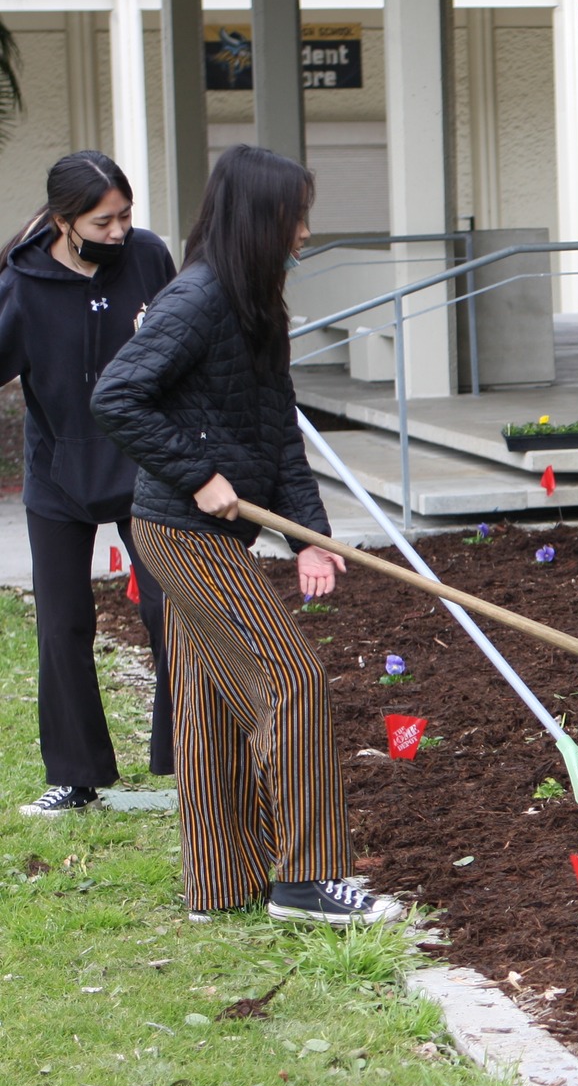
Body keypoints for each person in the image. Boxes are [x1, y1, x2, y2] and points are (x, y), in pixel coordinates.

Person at [92, 143, 400, 928]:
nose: (304, 232)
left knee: (211, 700)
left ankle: (223, 881)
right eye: (297, 216)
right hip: (182, 529)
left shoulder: (256, 301)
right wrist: (198, 473)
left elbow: (279, 435)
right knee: (292, 679)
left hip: (212, 535)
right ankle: (308, 880)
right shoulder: (195, 300)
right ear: (263, 218)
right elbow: (117, 395)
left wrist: (311, 538)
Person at [0, 151, 176, 815]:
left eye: (126, 215)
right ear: (64, 221)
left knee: (171, 611)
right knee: (62, 624)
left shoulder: (148, 258)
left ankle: (191, 759)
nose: (120, 230)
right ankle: (76, 777)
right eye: (104, 220)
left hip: (144, 467)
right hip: (58, 475)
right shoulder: (26, 281)